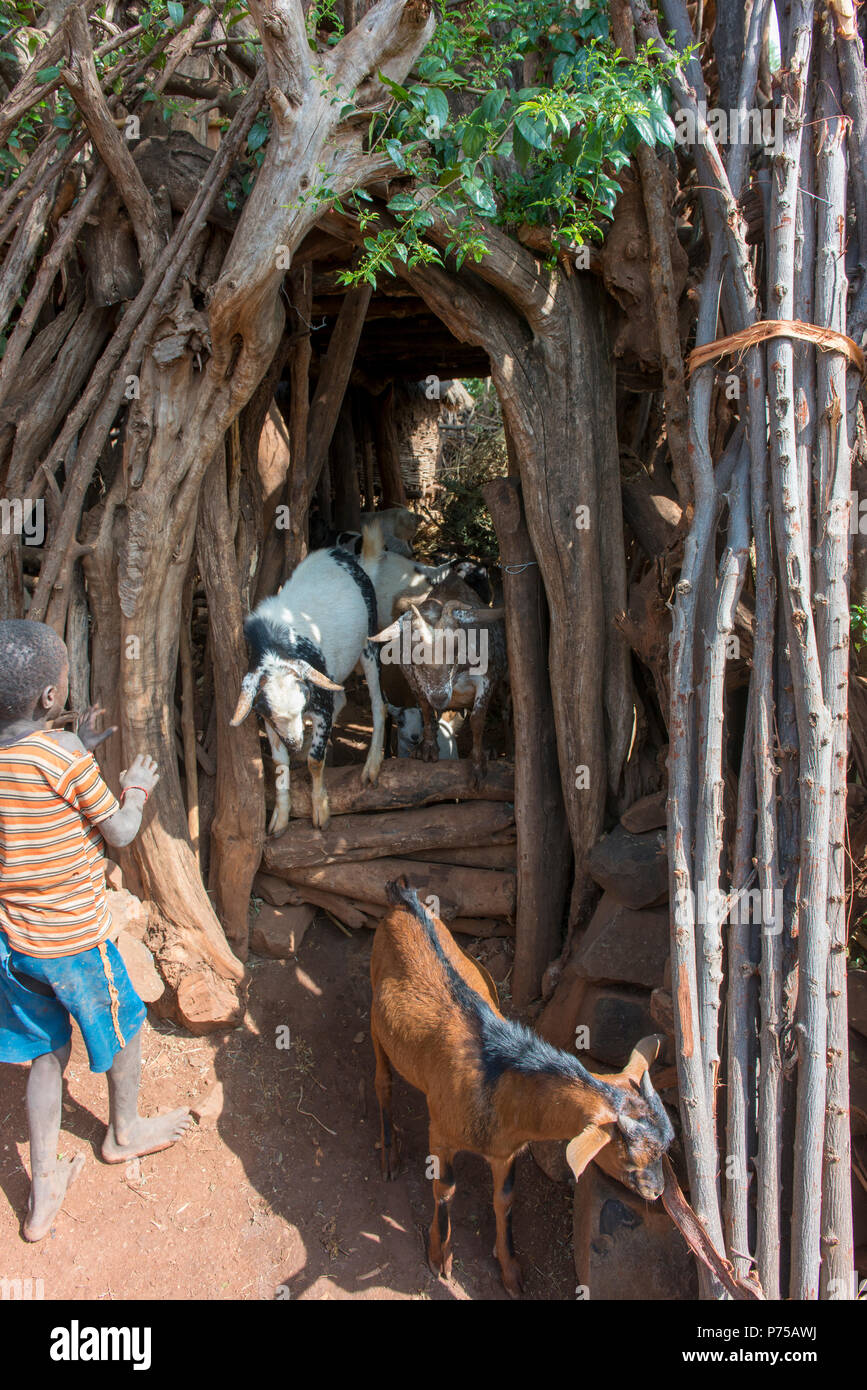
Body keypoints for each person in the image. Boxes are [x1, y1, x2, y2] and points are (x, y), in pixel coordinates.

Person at [0, 619, 191, 1241]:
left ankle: (43, 1186)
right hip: (77, 941)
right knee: (124, 1024)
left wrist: (74, 743)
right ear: (50, 699)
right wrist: (135, 790)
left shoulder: (27, 757)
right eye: (63, 682)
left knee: (44, 1055)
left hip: (18, 946)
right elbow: (120, 832)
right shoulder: (64, 760)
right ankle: (124, 1130)